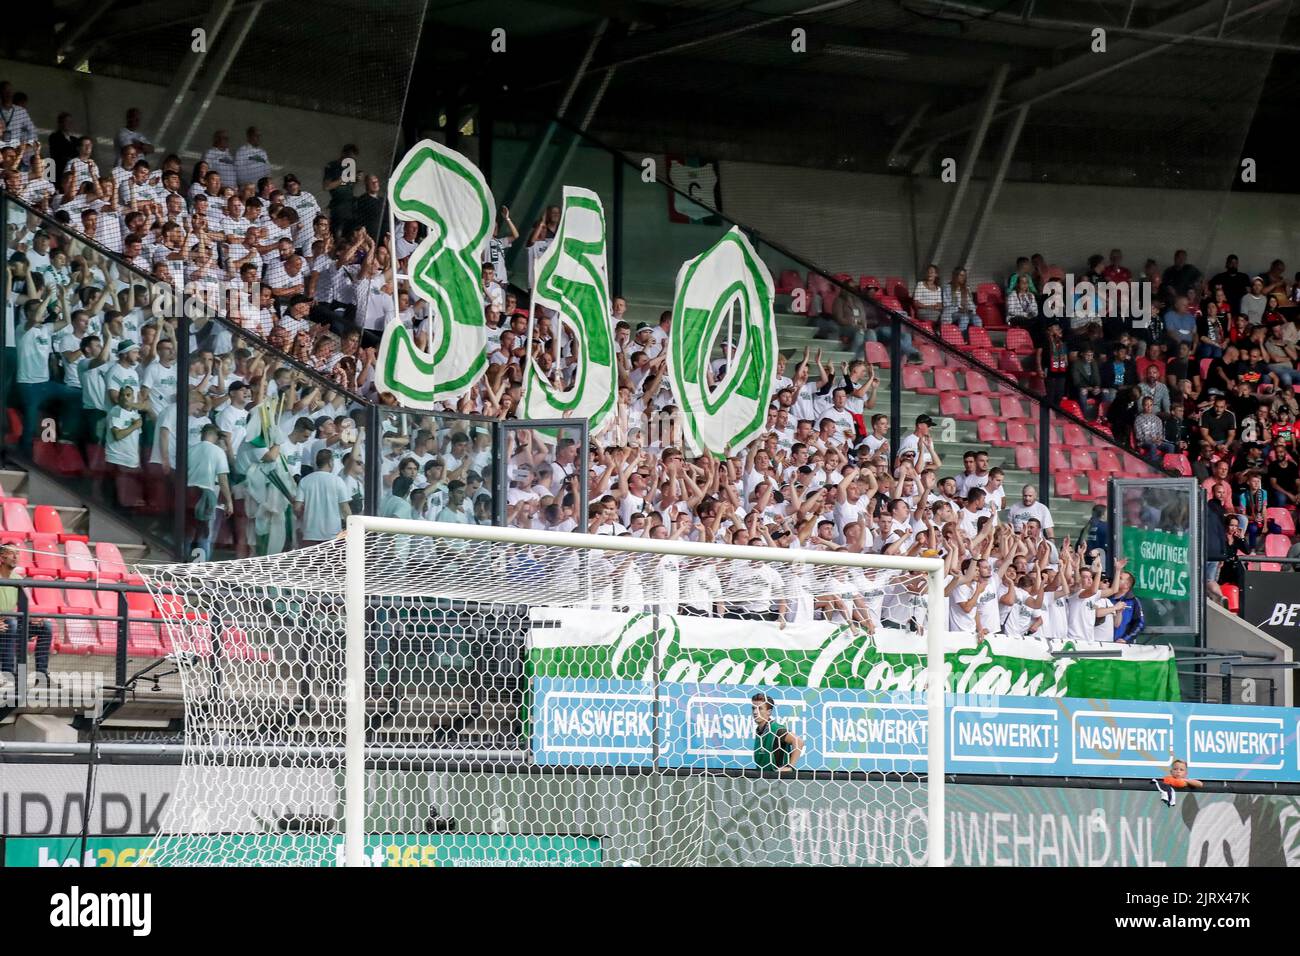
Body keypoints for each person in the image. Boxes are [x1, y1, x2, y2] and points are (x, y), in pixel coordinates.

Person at [0, 543, 52, 684]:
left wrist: (30, 618)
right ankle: (8, 674)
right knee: (11, 624)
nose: (16, 556)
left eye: (18, 553)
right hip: (5, 624)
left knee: (45, 626)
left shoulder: (18, 579)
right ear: (2, 557)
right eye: (12, 553)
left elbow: (22, 606)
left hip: (9, 623)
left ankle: (41, 676)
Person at [295, 448, 352, 546]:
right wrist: (352, 528)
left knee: (311, 562)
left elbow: (297, 508)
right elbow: (345, 509)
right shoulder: (337, 481)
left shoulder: (304, 481)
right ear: (330, 463)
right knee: (332, 561)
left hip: (310, 534)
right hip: (333, 535)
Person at [751, 692, 802, 773]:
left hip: (778, 781)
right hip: (763, 780)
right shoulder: (759, 731)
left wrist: (790, 767)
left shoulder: (777, 730)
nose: (755, 712)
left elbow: (798, 741)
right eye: (753, 708)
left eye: (760, 708)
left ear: (769, 712)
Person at [1111, 568, 1144, 644]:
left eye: (1120, 578)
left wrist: (1126, 639)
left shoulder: (1133, 601)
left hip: (1123, 645)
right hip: (1102, 643)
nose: (1116, 579)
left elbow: (1139, 623)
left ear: (1127, 584)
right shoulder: (1107, 598)